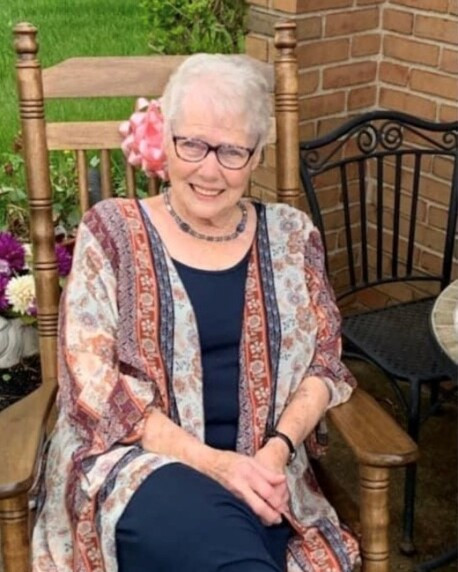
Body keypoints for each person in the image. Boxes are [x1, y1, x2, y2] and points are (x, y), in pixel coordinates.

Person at [32, 54, 360, 572]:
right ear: (166, 140)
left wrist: (274, 453)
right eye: (193, 144)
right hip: (139, 468)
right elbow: (91, 380)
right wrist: (216, 465)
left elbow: (325, 361)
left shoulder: (293, 236)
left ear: (257, 156)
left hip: (262, 479)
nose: (210, 170)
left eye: (232, 151)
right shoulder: (112, 232)